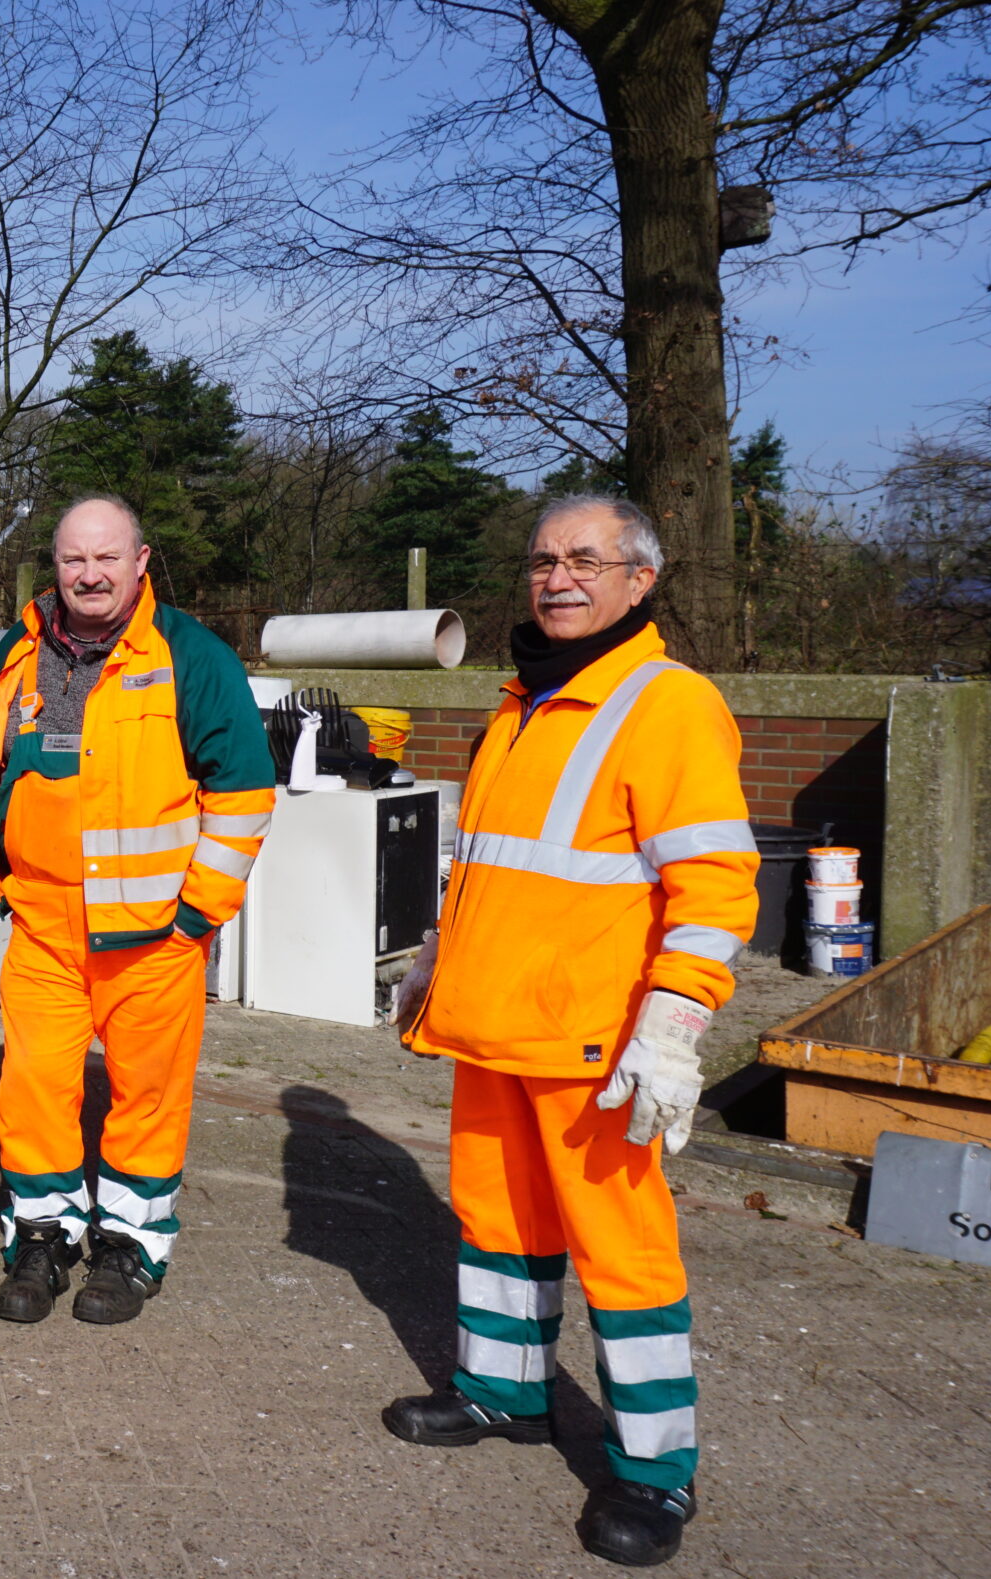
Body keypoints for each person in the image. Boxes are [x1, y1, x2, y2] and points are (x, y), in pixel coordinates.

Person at [387, 494, 756, 1567]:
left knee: (622, 1255)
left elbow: (714, 884)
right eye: (545, 558)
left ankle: (654, 1471)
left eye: (587, 561)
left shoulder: (666, 704)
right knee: (495, 1228)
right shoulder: (525, 698)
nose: (559, 577)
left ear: (639, 582)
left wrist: (674, 1025)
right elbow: (495, 870)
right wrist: (434, 957)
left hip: (593, 1045)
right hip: (493, 1030)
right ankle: (501, 1393)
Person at [0, 494, 275, 1323]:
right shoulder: (22, 645)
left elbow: (244, 795)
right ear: (53, 565)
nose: (89, 574)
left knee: (146, 1101)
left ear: (142, 560)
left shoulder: (193, 657)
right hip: (45, 931)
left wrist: (197, 916)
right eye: (71, 559)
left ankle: (129, 1251)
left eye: (107, 558)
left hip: (154, 942)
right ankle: (42, 1239)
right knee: (35, 1089)